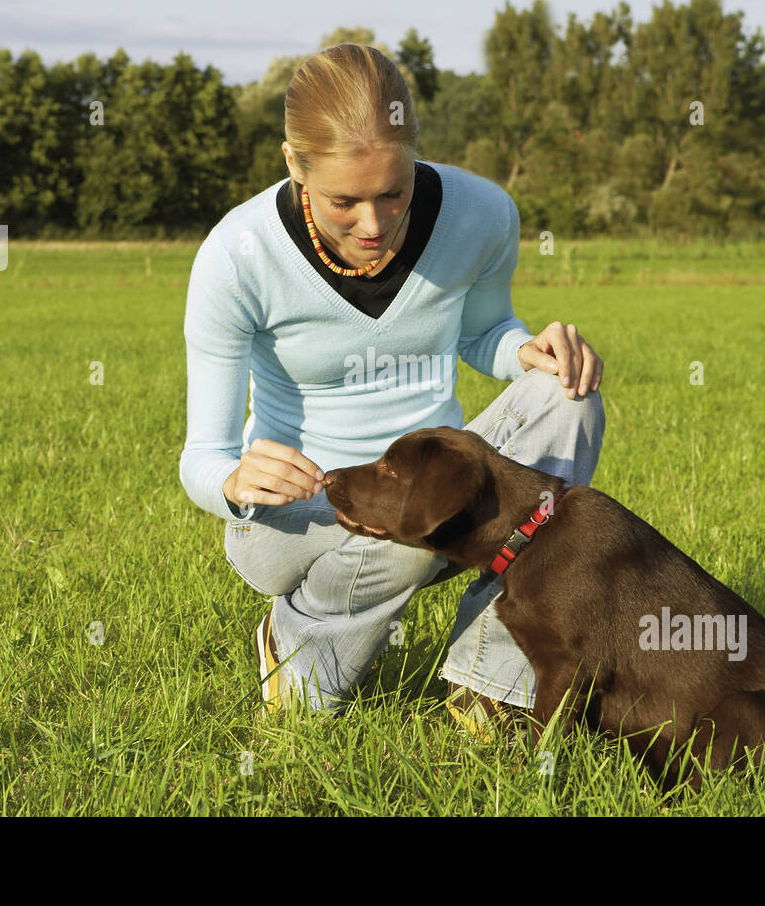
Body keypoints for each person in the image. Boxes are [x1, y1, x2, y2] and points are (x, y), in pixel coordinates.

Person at [180, 43, 605, 738]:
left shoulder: (481, 212)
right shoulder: (236, 257)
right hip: (297, 513)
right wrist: (233, 480)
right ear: (294, 164)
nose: (374, 225)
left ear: (415, 156)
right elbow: (202, 455)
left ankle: (492, 684)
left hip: (434, 486)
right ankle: (299, 647)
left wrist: (525, 350)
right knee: (410, 518)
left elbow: (484, 330)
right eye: (344, 202)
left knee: (569, 398)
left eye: (393, 193)